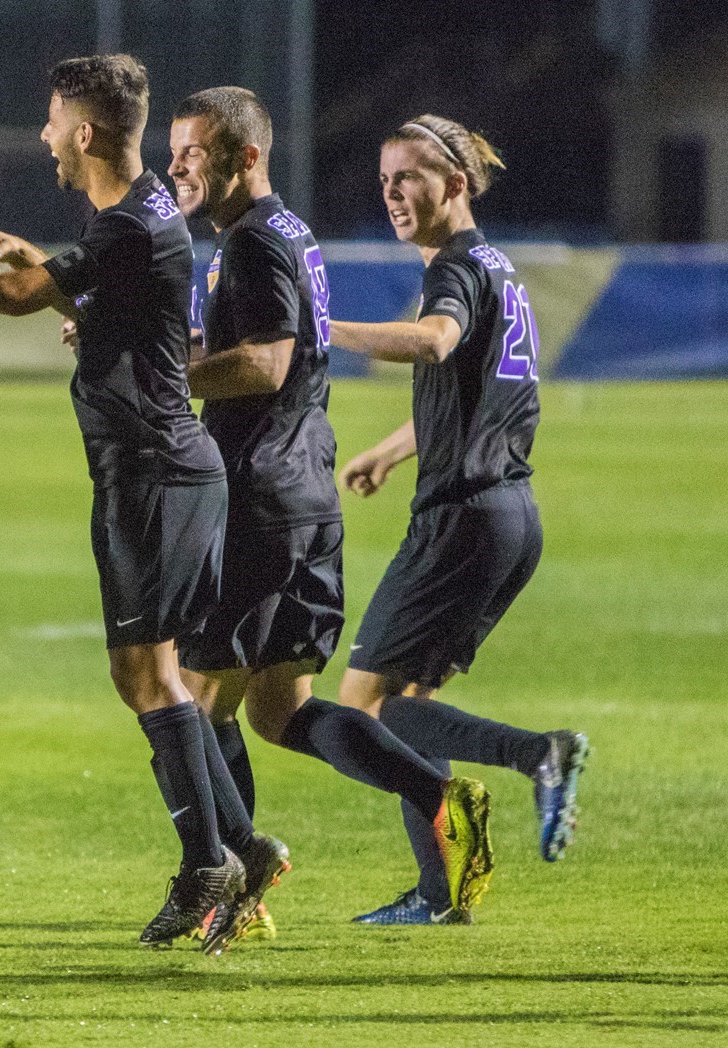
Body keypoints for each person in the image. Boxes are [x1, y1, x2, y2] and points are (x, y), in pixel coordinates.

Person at [0, 54, 283, 955]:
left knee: (146, 677)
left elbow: (8, 301)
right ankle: (239, 845)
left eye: (51, 122)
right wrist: (41, 264)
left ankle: (212, 867)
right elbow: (84, 284)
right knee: (152, 678)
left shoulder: (127, 225)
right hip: (158, 468)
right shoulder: (144, 208)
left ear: (83, 133)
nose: (43, 136)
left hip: (154, 471)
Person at [166, 87, 499, 938]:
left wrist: (160, 379)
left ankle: (235, 892)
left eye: (192, 152)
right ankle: (440, 796)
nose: (176, 168)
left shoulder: (248, 243)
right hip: (302, 488)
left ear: (244, 157)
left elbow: (268, 364)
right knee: (279, 710)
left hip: (258, 496)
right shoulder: (287, 234)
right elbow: (267, 348)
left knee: (190, 699)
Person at [329, 114, 588, 924]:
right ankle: (441, 896)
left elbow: (438, 343)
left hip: (463, 521)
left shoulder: (454, 269)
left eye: (408, 176)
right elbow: (481, 390)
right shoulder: (499, 271)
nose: (393, 193)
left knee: (360, 712)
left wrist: (319, 331)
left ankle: (536, 753)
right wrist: (394, 448)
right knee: (408, 702)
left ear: (456, 184)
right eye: (384, 180)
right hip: (507, 515)